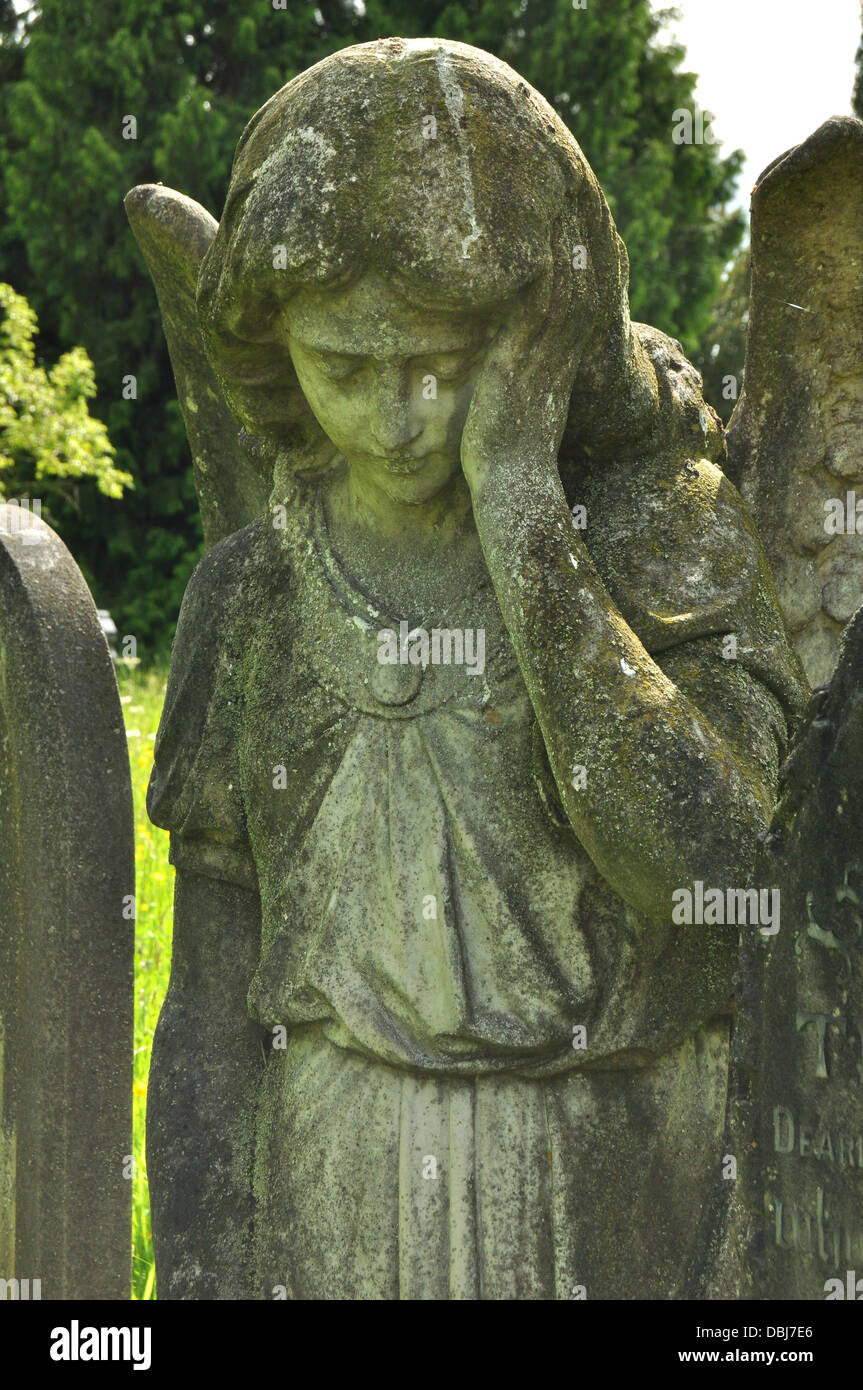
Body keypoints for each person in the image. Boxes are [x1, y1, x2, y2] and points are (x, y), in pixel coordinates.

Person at [146, 38, 806, 1300]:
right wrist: (197, 1265)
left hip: (612, 1172)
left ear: (539, 334)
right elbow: (208, 1001)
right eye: (341, 368)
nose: (390, 419)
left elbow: (721, 883)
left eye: (435, 370)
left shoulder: (665, 539)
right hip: (328, 1172)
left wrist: (519, 511)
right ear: (272, 351)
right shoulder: (252, 595)